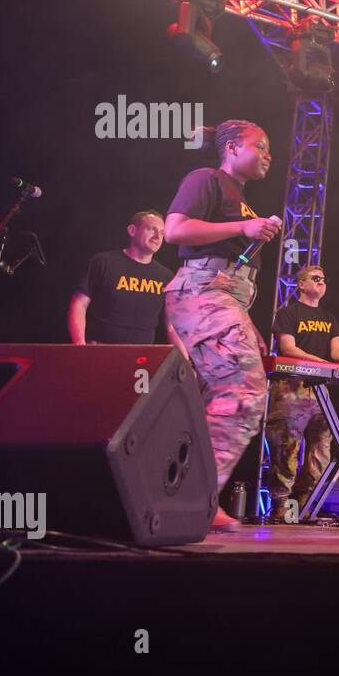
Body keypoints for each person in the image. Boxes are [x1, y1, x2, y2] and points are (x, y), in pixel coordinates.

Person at [164, 119, 282, 533]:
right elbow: (174, 229)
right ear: (232, 148)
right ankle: (196, 497)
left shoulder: (241, 197)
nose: (269, 154)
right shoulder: (207, 179)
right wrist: (244, 228)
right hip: (204, 289)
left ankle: (181, 493)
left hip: (225, 295)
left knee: (234, 396)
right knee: (245, 388)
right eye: (261, 146)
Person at [266, 265, 339, 521]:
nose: (321, 283)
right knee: (286, 448)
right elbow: (287, 347)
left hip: (319, 389)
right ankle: (281, 505)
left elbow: (336, 350)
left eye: (324, 280)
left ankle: (304, 503)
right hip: (291, 387)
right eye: (316, 278)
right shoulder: (287, 313)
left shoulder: (329, 317)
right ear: (301, 284)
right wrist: (317, 360)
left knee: (322, 448)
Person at [68, 210, 182, 351]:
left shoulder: (166, 276)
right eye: (152, 229)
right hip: (100, 352)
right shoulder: (104, 262)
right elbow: (79, 304)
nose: (158, 236)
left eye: (162, 233)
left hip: (142, 358)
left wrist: (186, 363)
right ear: (132, 230)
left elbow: (171, 326)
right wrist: (79, 346)